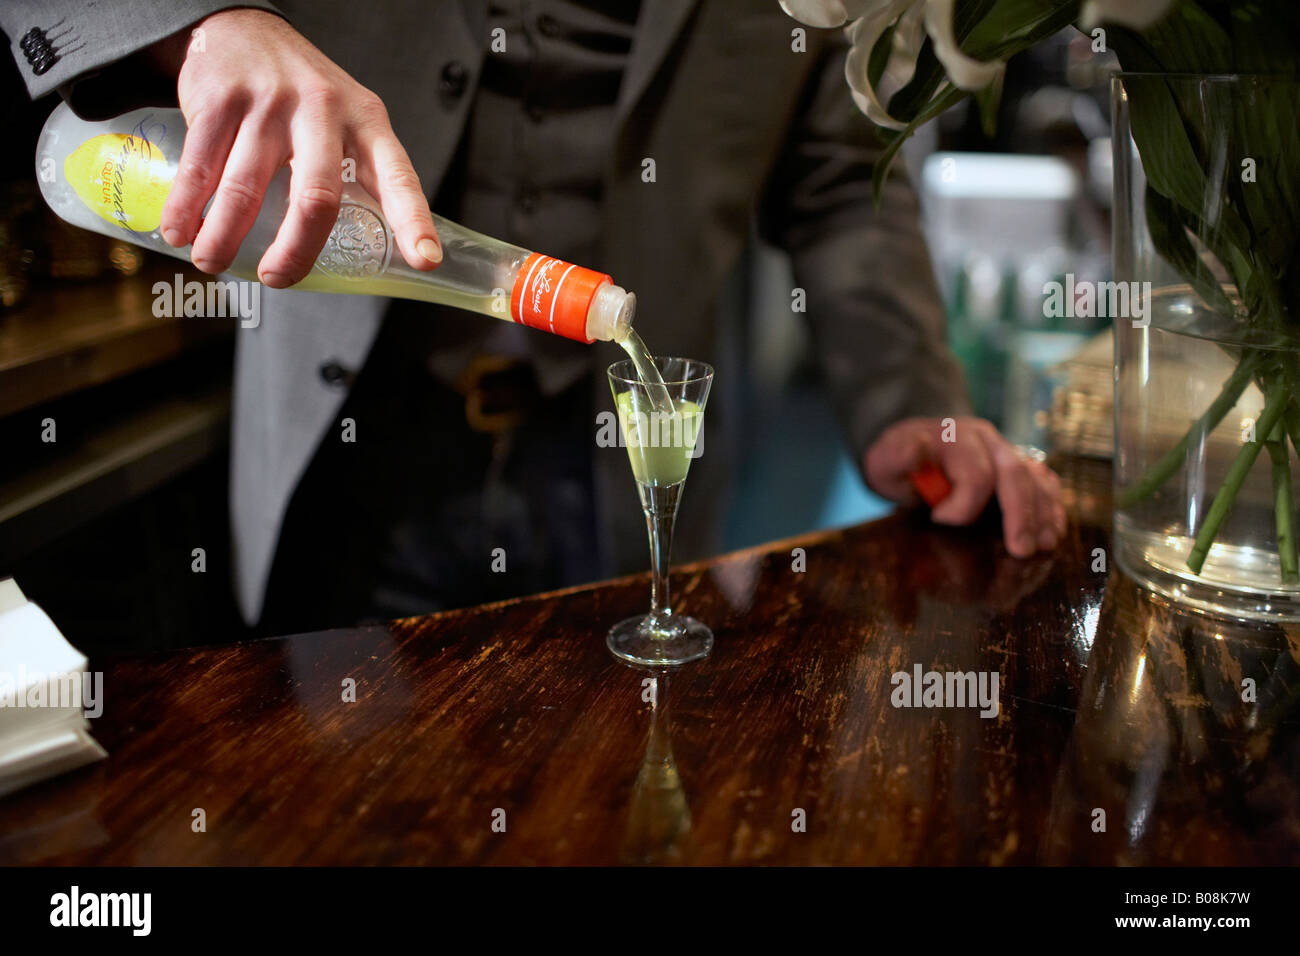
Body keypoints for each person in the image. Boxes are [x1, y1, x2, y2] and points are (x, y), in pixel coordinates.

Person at [3, 1, 1065, 633]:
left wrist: (916, 401)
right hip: (352, 445)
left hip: (608, 480)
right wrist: (203, 20)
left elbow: (840, 183)